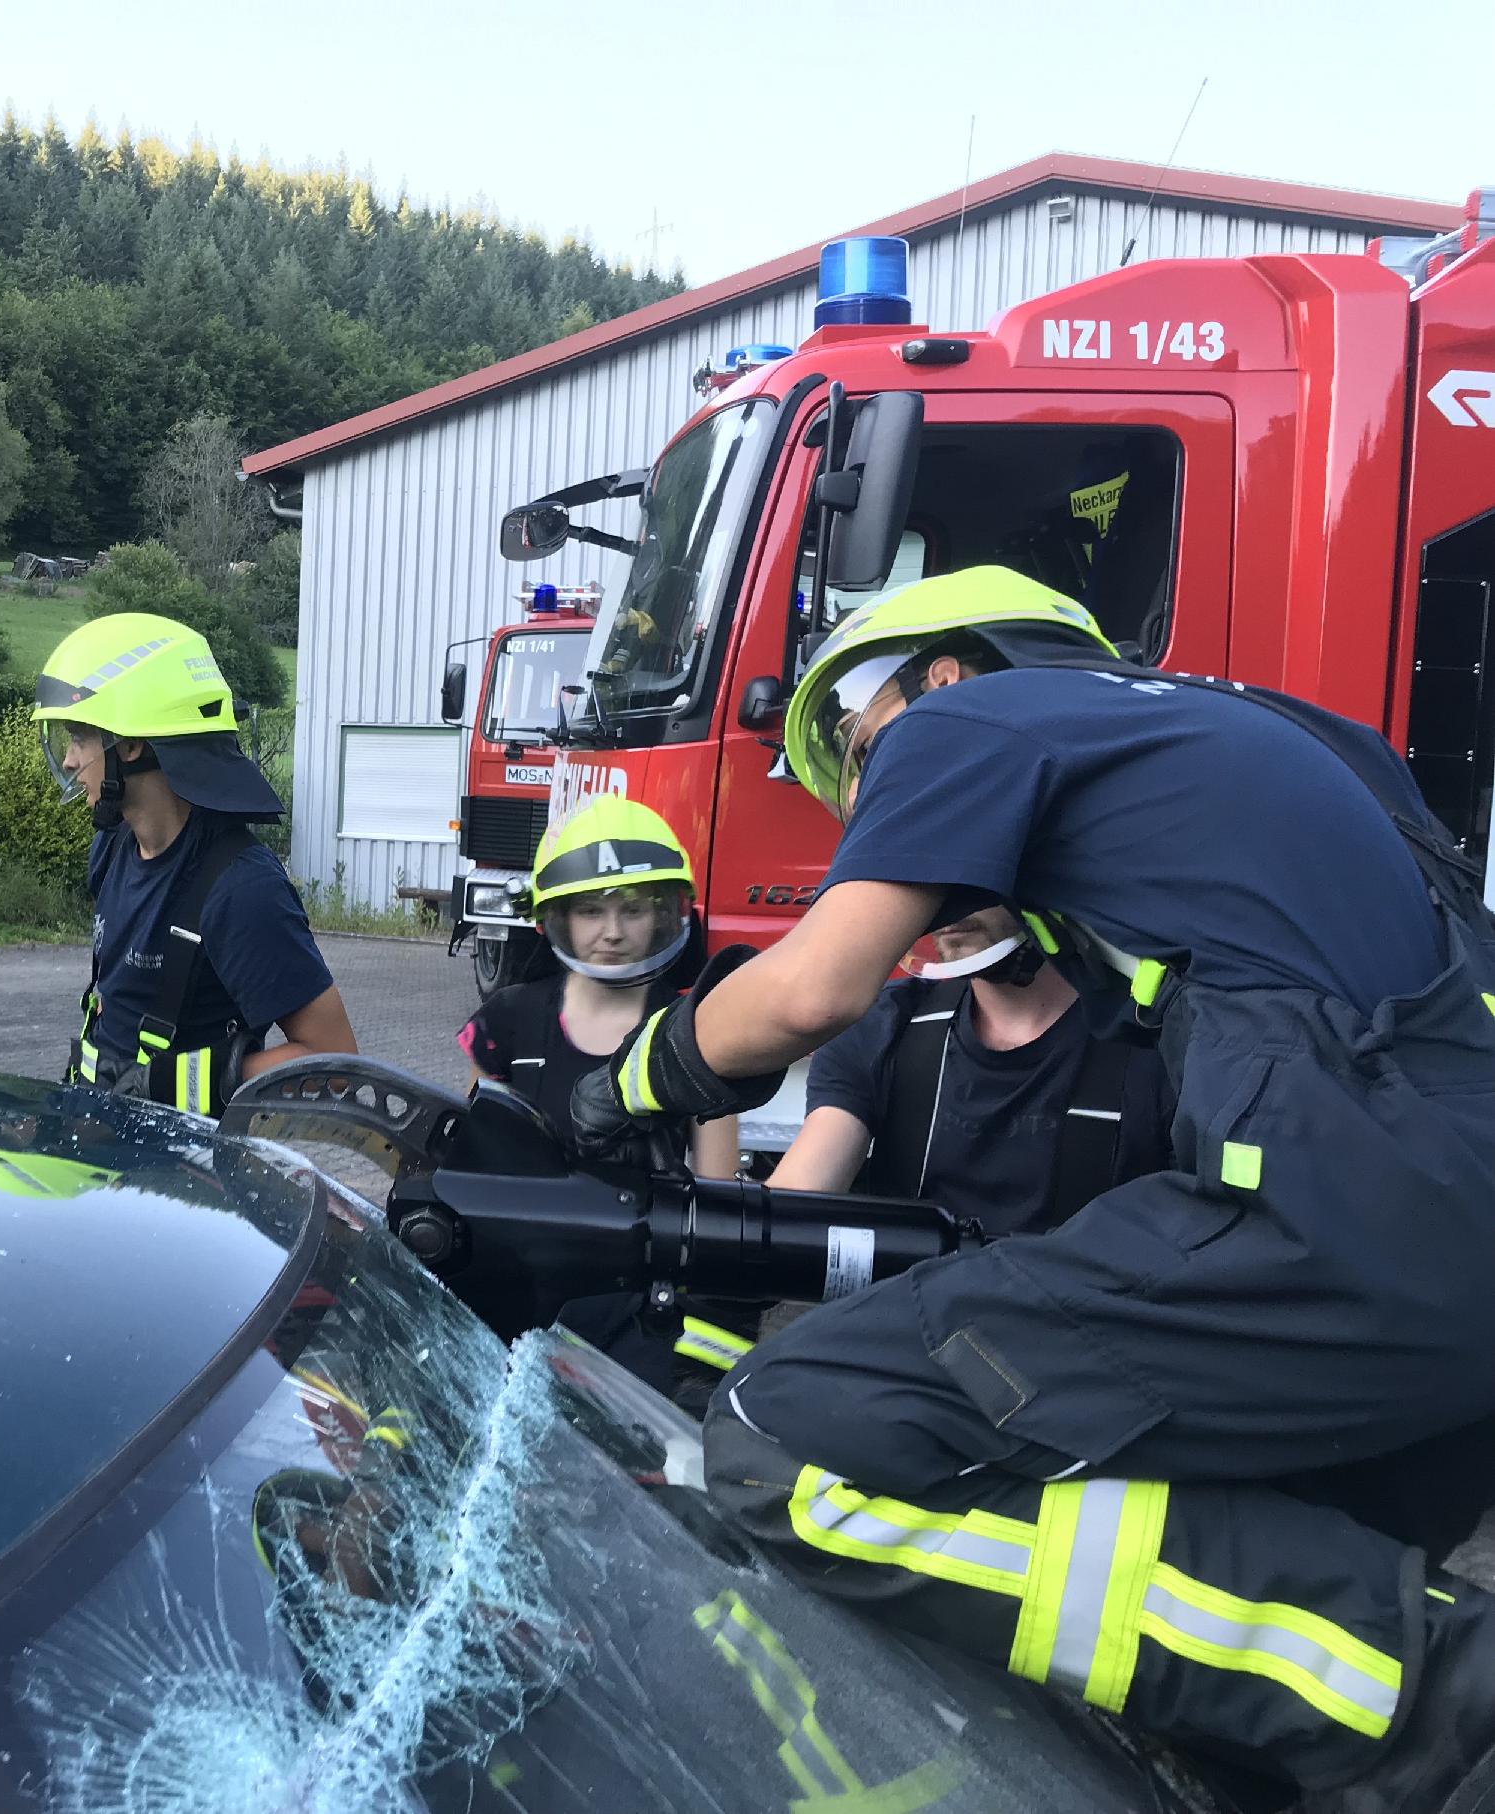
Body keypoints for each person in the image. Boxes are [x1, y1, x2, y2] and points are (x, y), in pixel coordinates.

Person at [570, 565, 1495, 1808]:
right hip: (1445, 1212)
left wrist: (633, 1079)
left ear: (942, 672)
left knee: (789, 1432)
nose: (862, 804)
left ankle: (1448, 1691)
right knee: (1231, 1606)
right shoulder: (1284, 731)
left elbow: (809, 991)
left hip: (1353, 1186)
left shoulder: (967, 718)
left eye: (854, 749)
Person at [458, 794, 747, 1394]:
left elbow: (717, 1199)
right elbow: (474, 1170)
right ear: (556, 916)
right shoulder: (508, 1021)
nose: (612, 933)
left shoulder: (697, 1031)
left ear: (668, 914)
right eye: (590, 911)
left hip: (642, 1309)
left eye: (633, 910)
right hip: (522, 1294)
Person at [35, 612, 354, 1114]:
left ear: (131, 744)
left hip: (188, 1175)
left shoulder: (243, 889)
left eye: (79, 738)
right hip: (101, 1147)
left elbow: (334, 1066)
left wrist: (190, 1081)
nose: (70, 761)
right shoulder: (114, 846)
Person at [768, 904, 1173, 1235]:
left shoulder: (1160, 1043)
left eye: (977, 874)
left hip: (1080, 1326)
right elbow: (798, 1199)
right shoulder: (888, 1026)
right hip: (909, 1323)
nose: (947, 900)